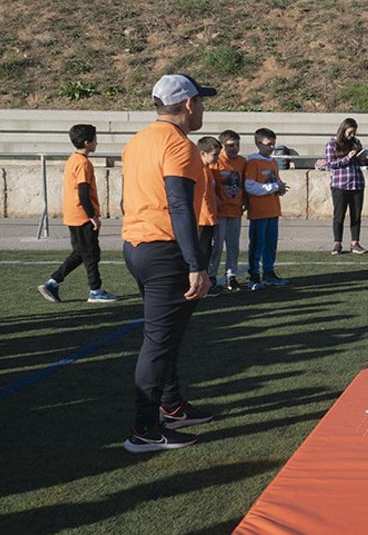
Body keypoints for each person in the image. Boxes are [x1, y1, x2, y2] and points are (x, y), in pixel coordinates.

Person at [121, 74, 216, 453]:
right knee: (159, 343)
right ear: (189, 104)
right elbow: (178, 204)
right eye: (202, 101)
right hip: (165, 250)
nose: (204, 108)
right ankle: (144, 429)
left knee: (167, 337)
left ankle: (171, 407)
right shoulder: (179, 145)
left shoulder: (139, 141)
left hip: (139, 246)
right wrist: (196, 262)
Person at [38, 124, 120, 303]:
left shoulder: (73, 159)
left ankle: (53, 282)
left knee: (81, 252)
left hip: (73, 215)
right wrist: (93, 216)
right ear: (87, 142)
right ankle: (95, 290)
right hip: (82, 216)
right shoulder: (83, 163)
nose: (97, 143)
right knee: (90, 254)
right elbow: (83, 193)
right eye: (95, 139)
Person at [245, 127, 290, 290]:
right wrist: (273, 187)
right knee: (258, 244)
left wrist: (280, 188)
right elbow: (250, 186)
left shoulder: (272, 161)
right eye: (268, 144)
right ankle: (254, 275)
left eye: (273, 144)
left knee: (271, 244)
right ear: (258, 143)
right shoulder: (252, 161)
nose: (271, 147)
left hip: (273, 209)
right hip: (259, 211)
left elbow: (275, 181)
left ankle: (269, 273)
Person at [209, 130, 245, 292]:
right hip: (220, 211)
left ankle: (231, 275)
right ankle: (211, 275)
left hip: (235, 209)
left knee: (233, 245)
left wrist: (245, 201)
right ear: (222, 145)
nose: (235, 148)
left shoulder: (242, 162)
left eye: (237, 145)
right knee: (216, 246)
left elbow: (243, 183)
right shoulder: (215, 162)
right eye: (231, 145)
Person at [325, 117, 367, 255]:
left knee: (356, 215)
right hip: (340, 184)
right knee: (339, 215)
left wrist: (362, 158)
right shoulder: (332, 144)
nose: (352, 136)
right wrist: (347, 158)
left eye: (354, 133)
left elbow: (361, 163)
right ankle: (337, 243)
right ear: (343, 130)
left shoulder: (356, 143)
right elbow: (331, 163)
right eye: (349, 133)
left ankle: (355, 243)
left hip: (357, 183)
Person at [195, 137, 221, 297]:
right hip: (202, 219)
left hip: (209, 218)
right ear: (203, 153)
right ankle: (200, 286)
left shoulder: (207, 170)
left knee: (206, 252)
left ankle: (204, 284)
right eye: (215, 155)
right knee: (201, 253)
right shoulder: (199, 171)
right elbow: (201, 198)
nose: (217, 158)